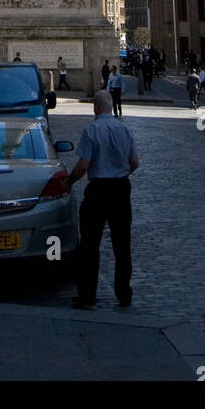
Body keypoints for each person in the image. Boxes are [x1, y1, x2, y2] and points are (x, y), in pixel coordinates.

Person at [66, 91, 139, 309]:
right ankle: (124, 294)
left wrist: (69, 181)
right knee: (122, 244)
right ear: (110, 107)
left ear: (95, 108)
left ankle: (87, 296)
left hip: (98, 190)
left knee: (89, 245)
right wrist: (120, 174)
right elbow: (134, 162)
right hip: (120, 189)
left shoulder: (92, 130)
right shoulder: (125, 129)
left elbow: (83, 165)